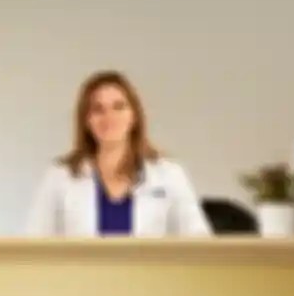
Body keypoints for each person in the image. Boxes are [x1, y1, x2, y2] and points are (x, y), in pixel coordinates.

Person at [25, 71, 211, 237]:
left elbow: (199, 243)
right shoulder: (60, 176)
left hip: (150, 276)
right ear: (86, 120)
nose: (109, 117)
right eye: (98, 109)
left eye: (119, 107)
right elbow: (34, 245)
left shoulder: (168, 174)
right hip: (81, 276)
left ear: (134, 116)